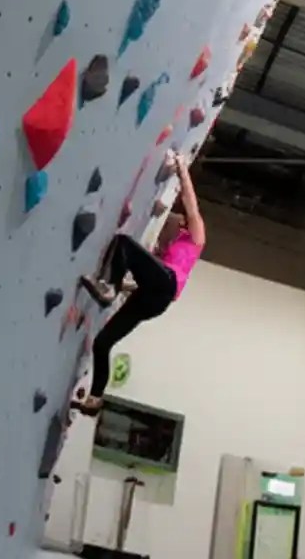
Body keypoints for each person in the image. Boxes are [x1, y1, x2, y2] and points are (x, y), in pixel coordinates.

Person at [74, 151, 206, 416]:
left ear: (182, 223)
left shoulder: (195, 237)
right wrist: (127, 286)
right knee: (102, 343)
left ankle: (109, 287)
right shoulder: (169, 252)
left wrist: (182, 169)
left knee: (123, 243)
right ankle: (95, 400)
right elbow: (152, 280)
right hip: (156, 299)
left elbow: (190, 203)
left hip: (164, 288)